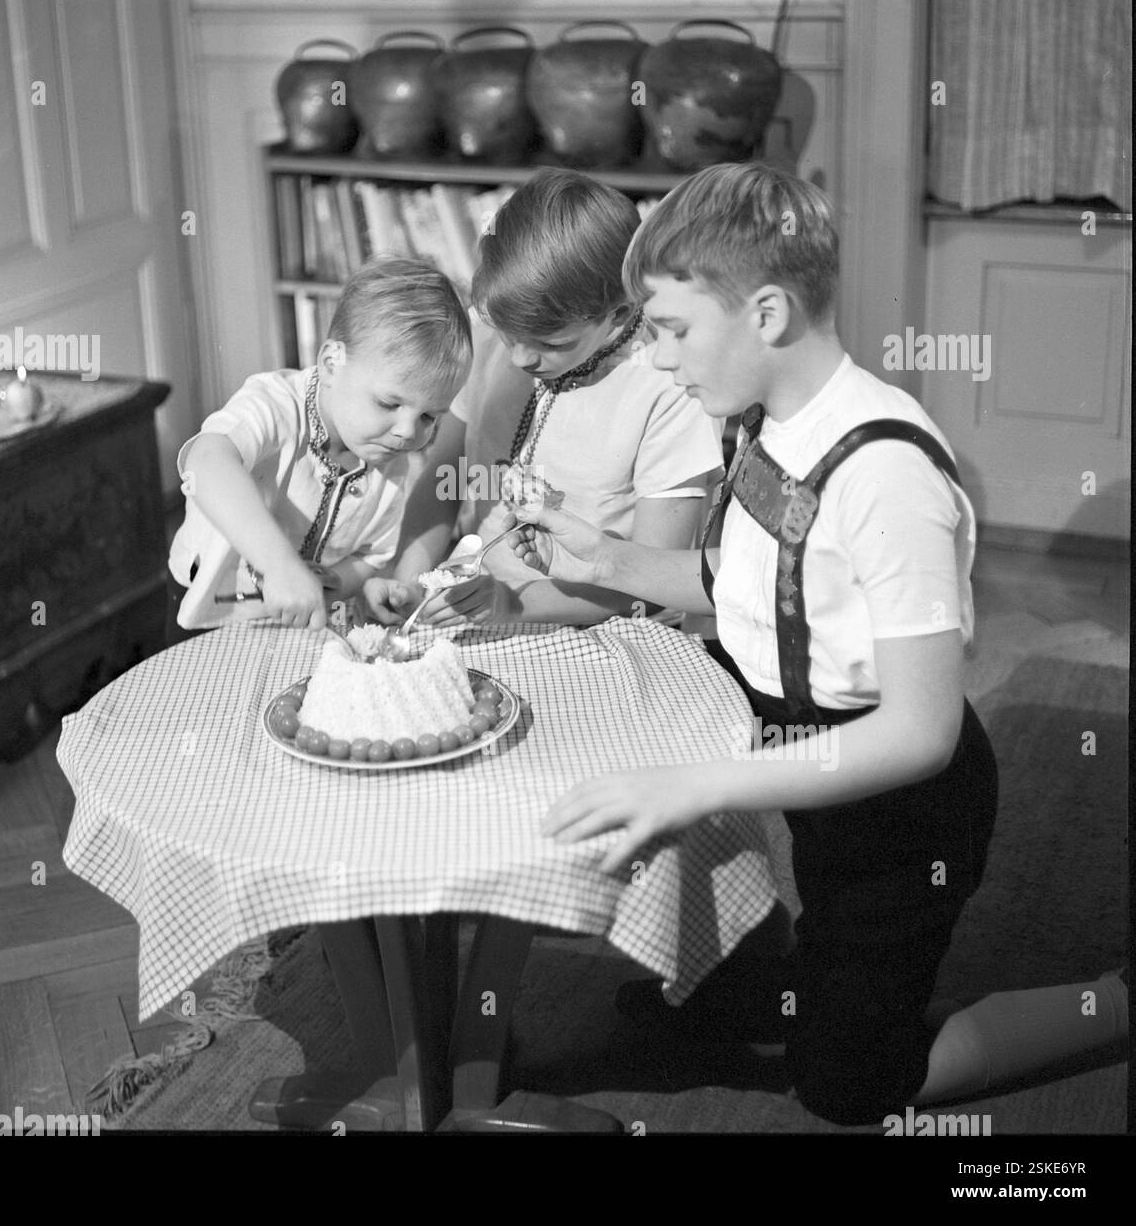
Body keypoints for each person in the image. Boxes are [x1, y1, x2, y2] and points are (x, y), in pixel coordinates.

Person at [508, 161, 1017, 1125]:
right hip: (813, 767)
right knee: (820, 948)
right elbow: (741, 589)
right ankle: (785, 984)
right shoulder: (766, 426)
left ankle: (1112, 1003)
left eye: (671, 330)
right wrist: (605, 561)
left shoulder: (882, 474)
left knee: (853, 1085)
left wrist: (698, 784)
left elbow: (920, 734)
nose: (656, 359)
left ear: (769, 315)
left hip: (903, 811)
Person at [362, 168, 722, 628]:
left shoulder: (669, 386)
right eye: (506, 331)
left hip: (604, 630)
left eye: (552, 343)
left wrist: (510, 603)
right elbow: (442, 482)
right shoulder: (490, 331)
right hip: (472, 608)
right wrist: (411, 582)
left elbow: (656, 583)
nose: (518, 357)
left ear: (621, 311)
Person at [169, 257, 472, 632]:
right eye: (388, 404)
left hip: (299, 626)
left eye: (430, 417)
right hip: (205, 611)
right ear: (331, 363)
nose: (408, 432)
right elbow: (207, 462)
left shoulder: (390, 460)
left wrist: (343, 584)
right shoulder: (275, 406)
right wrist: (280, 566)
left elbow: (369, 558)